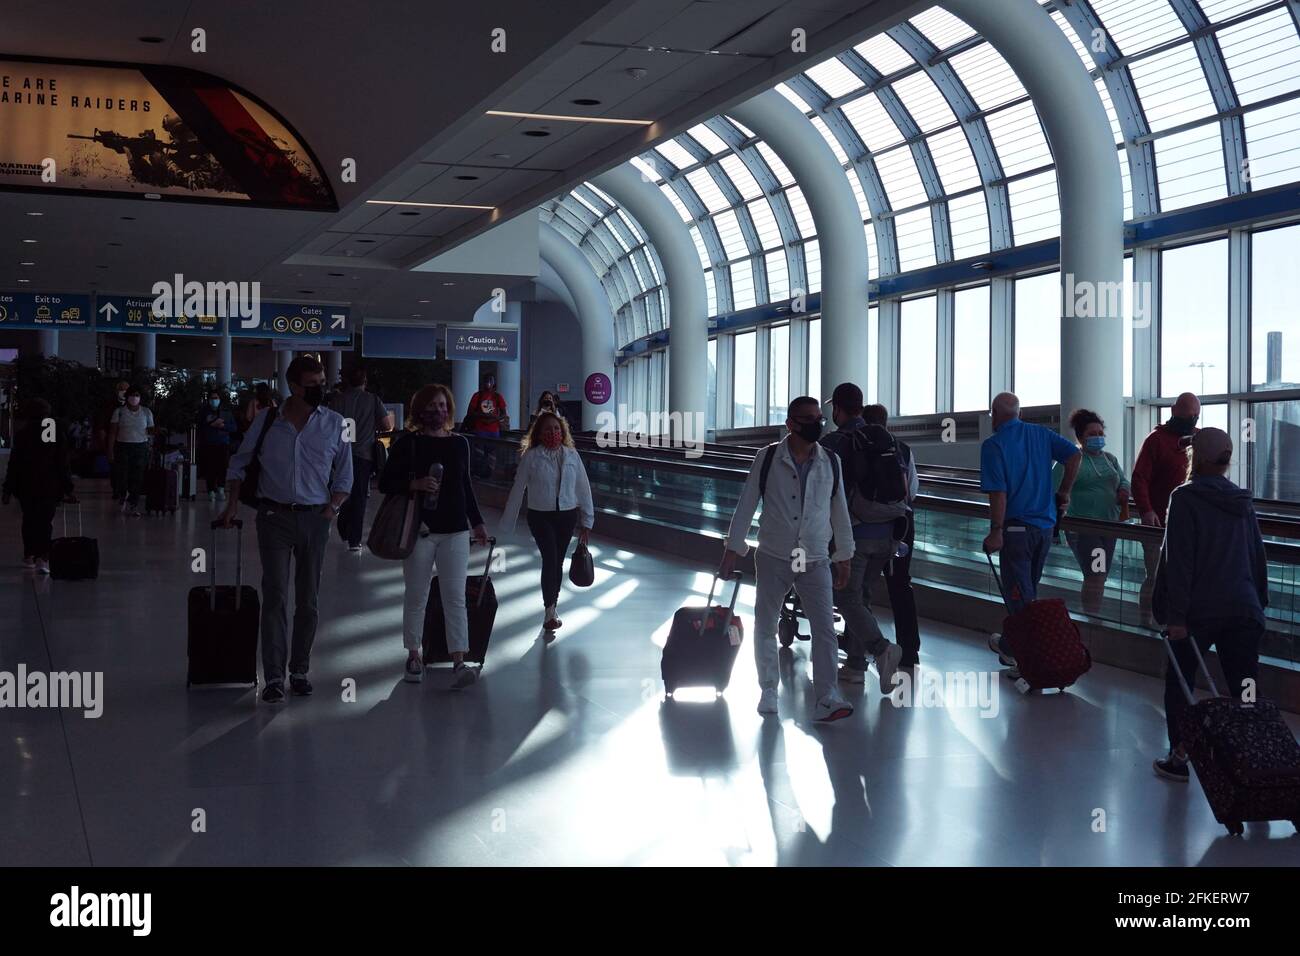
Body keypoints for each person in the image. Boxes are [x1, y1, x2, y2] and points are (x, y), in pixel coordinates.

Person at [219, 356, 353, 705]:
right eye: (313, 383)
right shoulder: (267, 422)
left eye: (322, 381)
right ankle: (275, 676)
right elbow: (239, 462)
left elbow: (345, 476)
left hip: (315, 519)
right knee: (276, 594)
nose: (320, 389)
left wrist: (331, 510)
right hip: (274, 517)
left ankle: (300, 670)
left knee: (308, 599)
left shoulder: (335, 423)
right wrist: (232, 504)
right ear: (294, 386)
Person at [720, 396, 855, 722]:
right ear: (791, 423)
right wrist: (731, 550)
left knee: (824, 629)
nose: (817, 423)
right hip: (774, 554)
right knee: (765, 623)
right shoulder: (767, 458)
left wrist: (845, 555)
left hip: (815, 557)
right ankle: (768, 688)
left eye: (819, 418)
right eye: (808, 418)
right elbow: (747, 503)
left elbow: (840, 511)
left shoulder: (831, 461)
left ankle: (827, 696)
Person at [1152, 428, 1267, 782]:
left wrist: (1175, 616)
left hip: (1198, 611)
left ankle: (1180, 755)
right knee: (1244, 684)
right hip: (1243, 607)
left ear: (1196, 459)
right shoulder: (1241, 501)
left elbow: (1180, 561)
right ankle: (1257, 757)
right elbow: (1255, 554)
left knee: (1181, 680)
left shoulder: (1185, 498)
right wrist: (1259, 602)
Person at [378, 384, 489, 689]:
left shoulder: (459, 444)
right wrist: (415, 483)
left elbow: (465, 486)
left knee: (455, 597)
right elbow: (385, 481)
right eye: (432, 406)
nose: (438, 411)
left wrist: (477, 523)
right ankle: (414, 655)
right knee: (417, 595)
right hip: (420, 531)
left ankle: (458, 659)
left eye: (442, 406)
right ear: (420, 411)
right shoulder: (407, 444)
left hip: (455, 531)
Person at [981, 392, 1081, 670]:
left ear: (994, 414)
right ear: (1019, 413)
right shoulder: (1041, 434)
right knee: (1027, 592)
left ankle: (1029, 659)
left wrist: (995, 531)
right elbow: (1074, 456)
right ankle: (1010, 645)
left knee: (1019, 596)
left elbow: (998, 494)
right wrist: (1064, 492)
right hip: (1045, 528)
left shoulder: (994, 445)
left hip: (1015, 531)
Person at [818, 384, 904, 693]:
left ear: (838, 409)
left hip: (853, 535)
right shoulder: (887, 440)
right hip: (887, 534)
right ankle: (855, 666)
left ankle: (881, 650)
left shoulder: (834, 443)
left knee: (844, 598)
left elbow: (821, 490)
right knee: (861, 598)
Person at [499, 410, 594, 638]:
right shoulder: (531, 457)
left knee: (557, 562)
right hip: (540, 516)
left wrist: (587, 521)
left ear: (562, 431)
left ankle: (552, 606)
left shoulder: (572, 455)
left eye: (556, 429)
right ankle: (549, 611)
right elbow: (518, 488)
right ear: (539, 434)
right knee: (550, 558)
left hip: (567, 515)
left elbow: (583, 487)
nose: (553, 433)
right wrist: (506, 524)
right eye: (548, 429)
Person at [1052, 409, 1130, 615]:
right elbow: (1053, 489)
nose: (1098, 437)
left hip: (1110, 526)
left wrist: (1124, 488)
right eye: (1092, 434)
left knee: (1100, 574)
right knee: (1095, 574)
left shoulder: (1109, 459)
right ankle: (1092, 617)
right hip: (1084, 527)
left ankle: (1093, 615)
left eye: (1100, 433)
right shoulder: (1071, 461)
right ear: (1080, 438)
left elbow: (1123, 479)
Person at [863, 404, 921, 669]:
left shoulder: (858, 448)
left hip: (867, 526)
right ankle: (909, 650)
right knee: (900, 586)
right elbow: (912, 492)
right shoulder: (903, 449)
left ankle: (860, 646)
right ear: (887, 423)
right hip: (901, 525)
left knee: (860, 588)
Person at [1133, 392, 1200, 618]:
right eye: (1188, 415)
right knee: (1155, 576)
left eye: (1194, 416)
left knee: (1185, 578)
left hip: (1188, 525)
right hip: (1158, 522)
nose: (1191, 420)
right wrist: (1146, 510)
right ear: (1174, 411)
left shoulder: (1198, 439)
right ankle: (1146, 618)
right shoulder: (1156, 440)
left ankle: (1176, 621)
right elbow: (1139, 478)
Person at [2, 398, 75, 574]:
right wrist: (68, 487)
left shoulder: (23, 433)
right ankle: (43, 557)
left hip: (27, 485)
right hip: (49, 484)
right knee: (44, 522)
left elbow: (15, 463)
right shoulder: (53, 431)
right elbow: (61, 462)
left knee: (29, 520)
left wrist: (8, 489)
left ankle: (30, 554)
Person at [327, 366, 394, 552]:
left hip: (339, 454)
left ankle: (343, 526)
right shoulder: (372, 400)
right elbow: (386, 425)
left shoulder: (337, 400)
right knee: (359, 496)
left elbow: (329, 424)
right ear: (365, 382)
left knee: (342, 489)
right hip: (363, 455)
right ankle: (354, 540)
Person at [108, 386, 155, 517]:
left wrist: (155, 434)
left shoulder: (146, 412)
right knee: (122, 475)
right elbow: (112, 432)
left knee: (137, 477)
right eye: (132, 395)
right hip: (122, 446)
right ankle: (123, 495)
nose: (134, 398)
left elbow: (151, 430)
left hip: (140, 447)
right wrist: (110, 450)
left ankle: (133, 503)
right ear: (127, 397)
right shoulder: (119, 412)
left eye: (137, 395)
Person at [198, 389, 237, 502]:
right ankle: (211, 491)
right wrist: (210, 425)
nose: (214, 400)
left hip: (223, 443)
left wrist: (222, 426)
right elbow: (200, 427)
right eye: (212, 398)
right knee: (210, 468)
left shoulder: (226, 412)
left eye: (216, 398)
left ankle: (221, 488)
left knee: (223, 467)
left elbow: (234, 427)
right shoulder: (204, 412)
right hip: (209, 444)